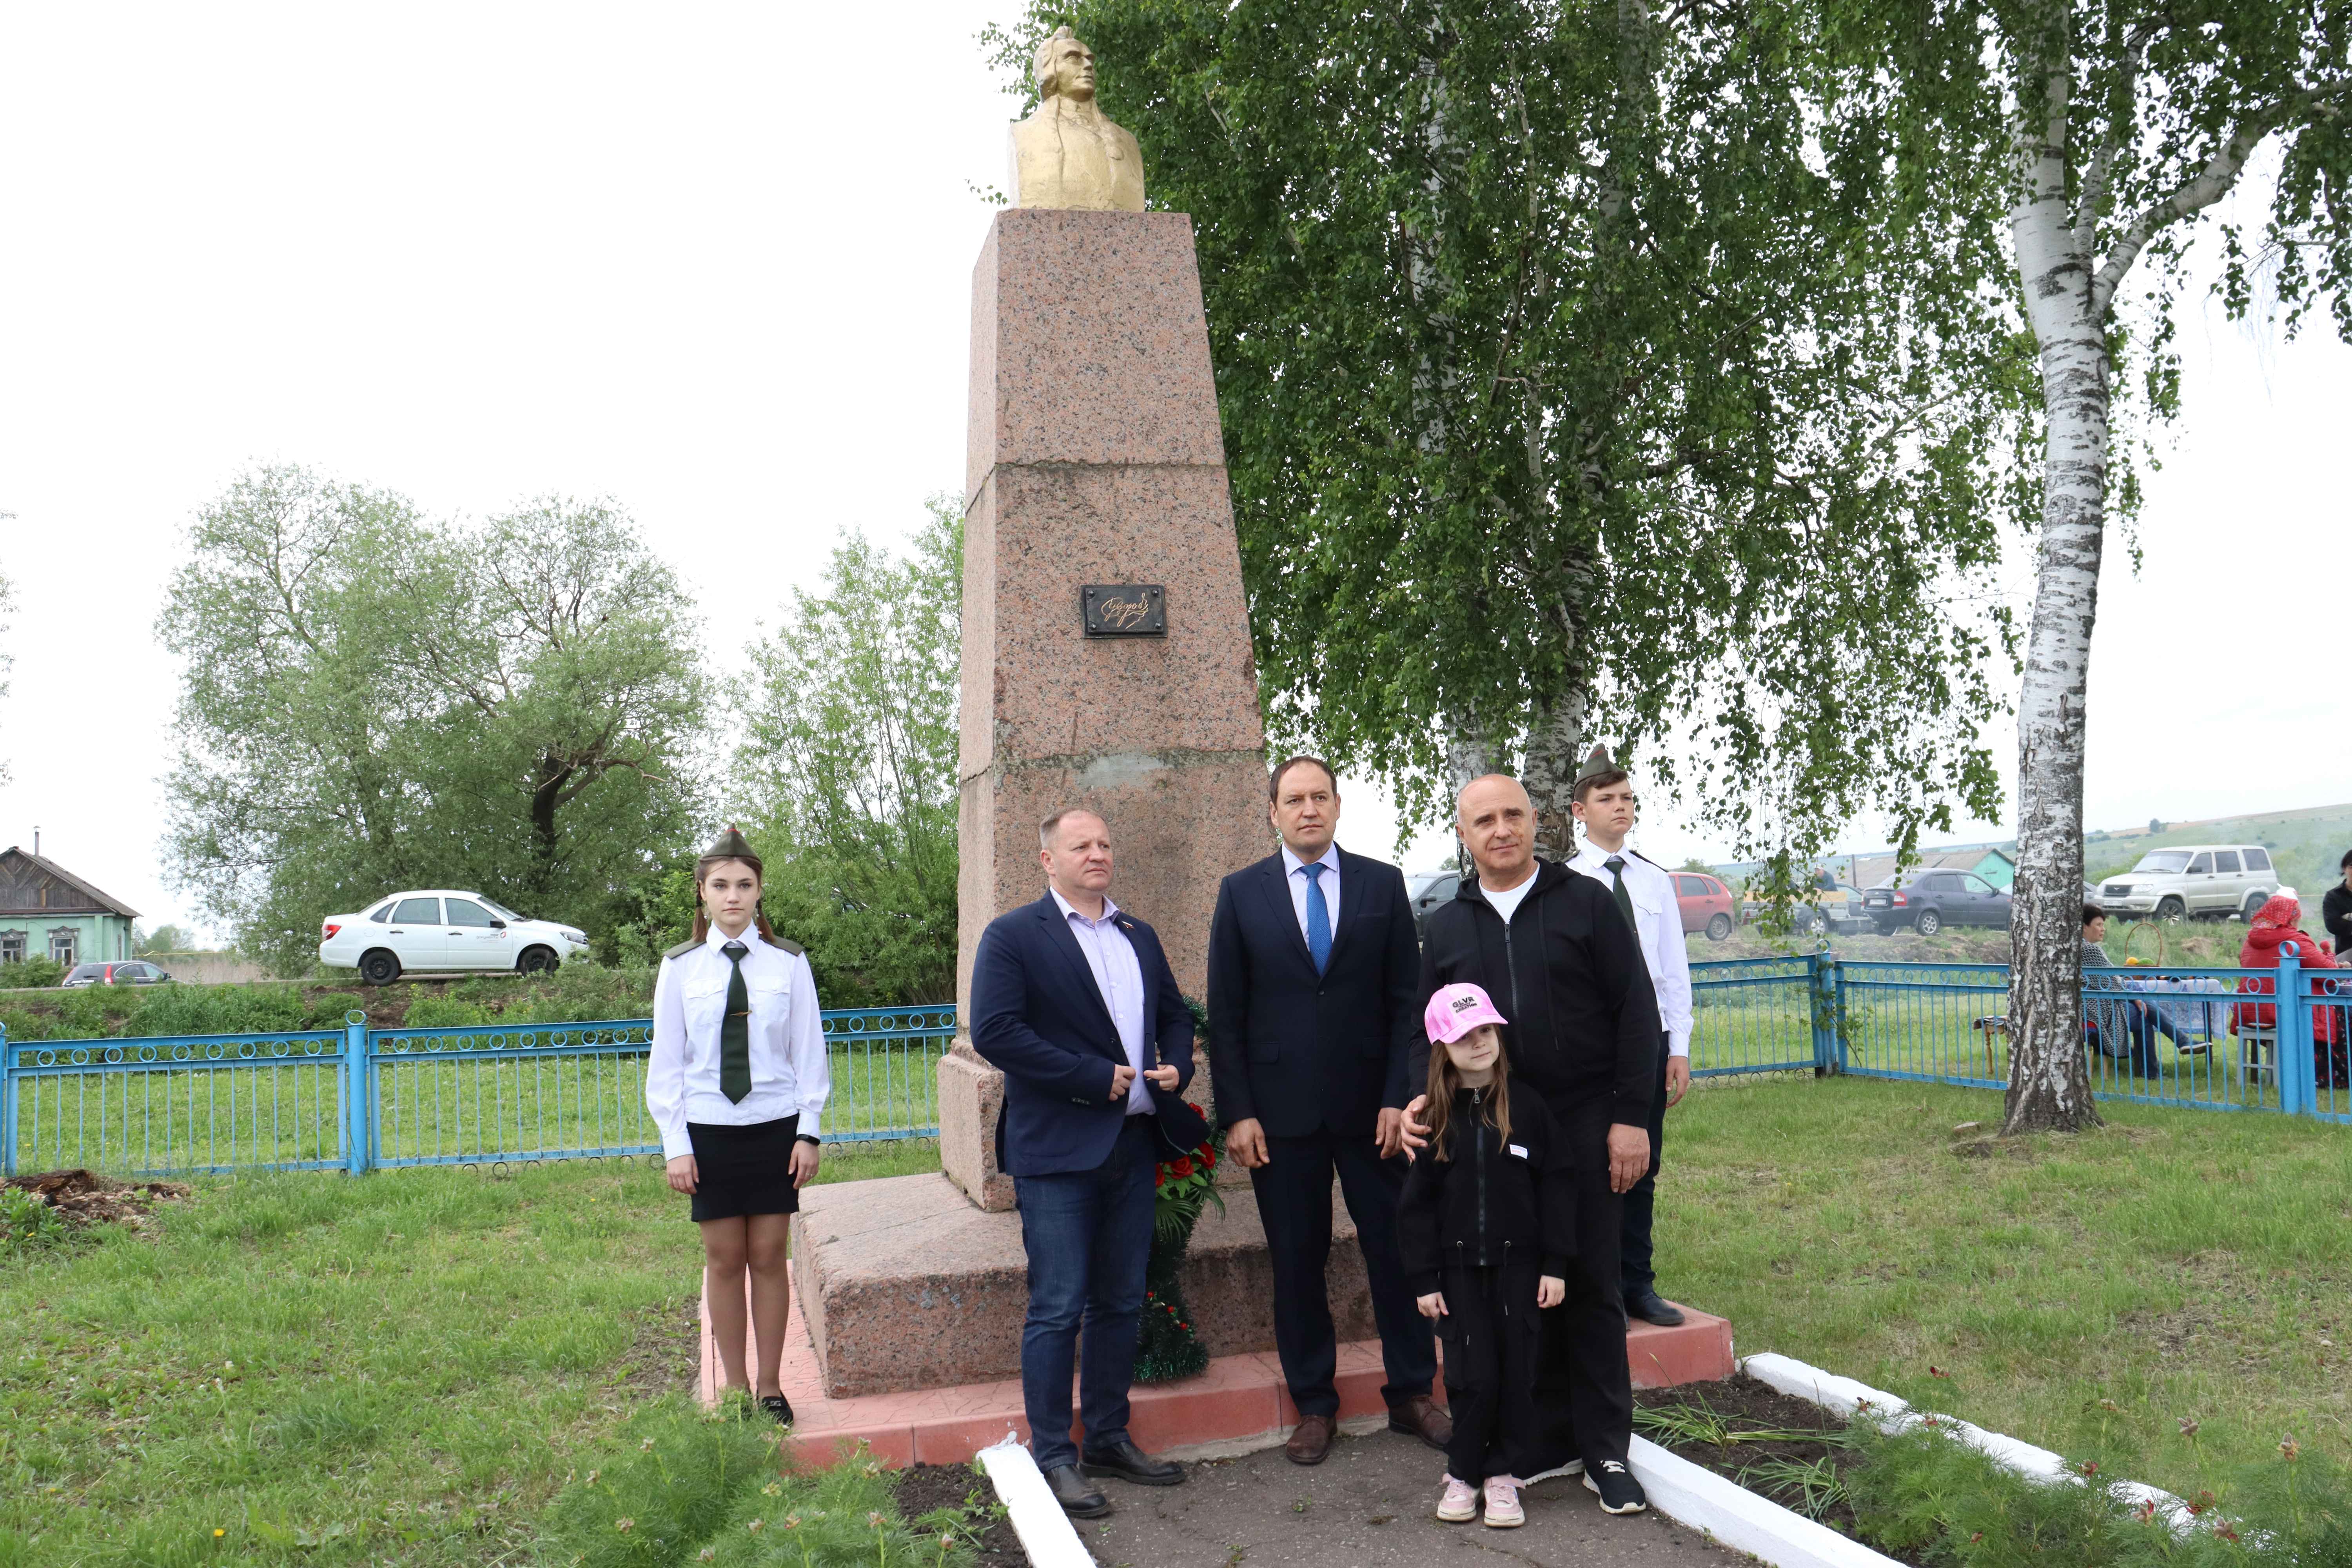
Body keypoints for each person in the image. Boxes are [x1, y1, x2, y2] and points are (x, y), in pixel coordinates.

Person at [1404, 773, 1662, 1516]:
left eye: (1512, 814)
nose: (1501, 829)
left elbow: (1636, 1010)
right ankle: (1541, 1444)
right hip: (1493, 1128)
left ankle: (1606, 1450)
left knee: (1592, 1282)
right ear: (1464, 835)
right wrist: (1422, 1097)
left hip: (1585, 1122)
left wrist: (1631, 1117)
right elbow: (1424, 1028)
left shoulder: (1586, 903)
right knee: (1518, 1295)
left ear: (1537, 820)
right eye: (1484, 820)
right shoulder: (1447, 926)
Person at [1205, 756, 1448, 1466]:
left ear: (1338, 806)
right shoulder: (1241, 893)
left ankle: (1412, 1393)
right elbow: (1227, 1013)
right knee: (1296, 1261)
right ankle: (1314, 1405)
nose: (1308, 809)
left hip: (1376, 1116)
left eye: (1320, 797)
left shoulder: (1382, 883)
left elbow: (1408, 1004)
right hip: (1280, 1120)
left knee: (1398, 1253)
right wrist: (1238, 1112)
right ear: (1273, 812)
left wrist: (1399, 1097)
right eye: (1294, 800)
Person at [969, 808, 1196, 1518]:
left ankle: (1106, 1437)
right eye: (1081, 846)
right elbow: (996, 1032)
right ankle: (1053, 1455)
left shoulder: (1138, 934)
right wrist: (1092, 1076)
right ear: (1048, 860)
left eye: (1104, 843)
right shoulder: (1014, 936)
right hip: (1058, 1151)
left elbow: (1174, 1015)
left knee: (1121, 1300)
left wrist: (1178, 1066)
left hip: (1133, 1143)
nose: (1097, 854)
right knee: (1059, 1306)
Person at [645, 826, 830, 1426]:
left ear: (759, 893)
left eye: (744, 885)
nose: (733, 896)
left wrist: (808, 1131)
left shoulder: (788, 963)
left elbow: (809, 1052)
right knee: (725, 1258)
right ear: (702, 893)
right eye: (721, 885)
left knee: (770, 1255)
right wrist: (676, 1145)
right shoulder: (680, 968)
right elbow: (667, 1064)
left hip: (775, 1127)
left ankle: (771, 1388)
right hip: (710, 1129)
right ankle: (735, 1390)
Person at [1398, 983, 1575, 1531]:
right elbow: (1416, 1207)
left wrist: (1556, 1264)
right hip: (1456, 1275)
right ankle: (1465, 1472)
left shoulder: (1529, 1108)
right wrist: (1424, 1278)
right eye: (1463, 1037)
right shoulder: (1434, 1118)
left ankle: (1504, 1475)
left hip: (1521, 1270)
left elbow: (1558, 1186)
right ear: (1442, 1049)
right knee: (1472, 1377)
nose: (1478, 1043)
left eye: (1485, 1031)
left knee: (1517, 1372)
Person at [1561, 749, 1693, 1327]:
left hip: (1649, 1042)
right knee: (1589, 1166)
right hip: (1589, 1045)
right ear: (1579, 810)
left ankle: (1637, 1283)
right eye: (1607, 799)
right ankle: (1595, 1287)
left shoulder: (1654, 880)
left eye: (1628, 798)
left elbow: (1673, 969)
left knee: (1643, 1163)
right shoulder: (1564, 883)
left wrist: (1678, 1047)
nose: (1621, 808)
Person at [2232, 893, 2345, 1087]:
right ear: (2292, 918)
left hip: (2251, 1010)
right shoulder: (2294, 942)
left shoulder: (2250, 941)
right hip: (2286, 1011)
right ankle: (2332, 1074)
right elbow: (2329, 977)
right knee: (2344, 1011)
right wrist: (2332, 960)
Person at [2080, 904, 2161, 1077]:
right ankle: (2151, 1072)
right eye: (2098, 925)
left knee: (2144, 1006)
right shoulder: (2090, 950)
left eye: (2103, 925)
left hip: (2092, 1005)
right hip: (2098, 1010)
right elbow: (2112, 982)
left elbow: (2111, 980)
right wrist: (2134, 997)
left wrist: (2132, 993)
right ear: (2084, 927)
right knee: (2144, 1015)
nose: (2103, 929)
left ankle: (2180, 1043)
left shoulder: (2077, 947)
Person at [2324, 851, 2352, 960]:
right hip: (2347, 958)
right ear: (2344, 868)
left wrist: (2348, 917)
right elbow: (2333, 925)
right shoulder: (2333, 896)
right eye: (2351, 866)